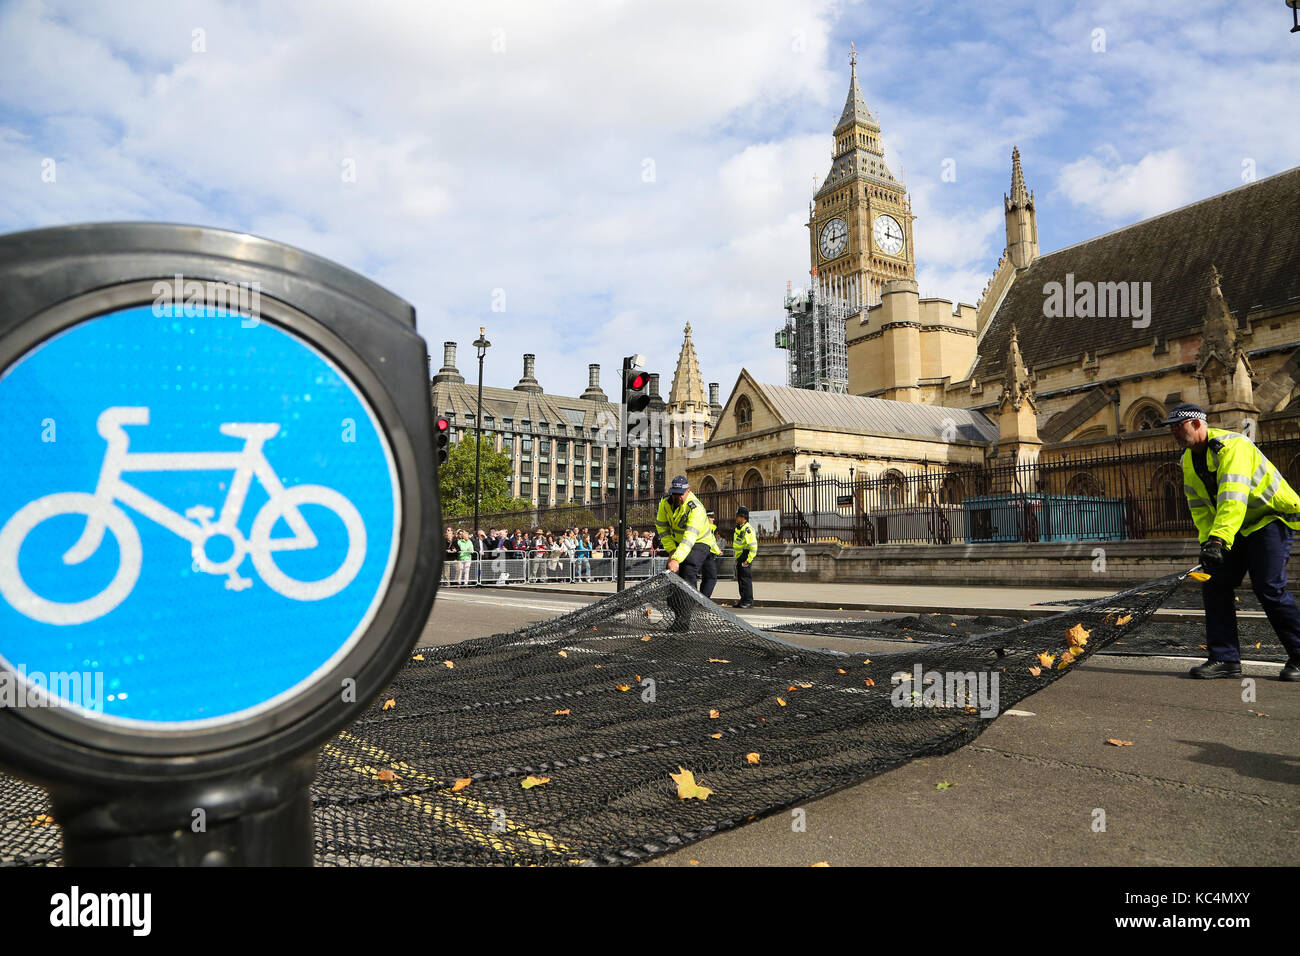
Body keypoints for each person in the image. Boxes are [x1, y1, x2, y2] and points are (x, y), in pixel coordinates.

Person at [1166, 403, 1300, 680]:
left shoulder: (1233, 445)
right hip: (1234, 528)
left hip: (1270, 518)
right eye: (1171, 428)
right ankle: (1225, 659)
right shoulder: (1187, 460)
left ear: (1197, 423)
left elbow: (1233, 496)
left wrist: (1218, 539)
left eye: (1179, 426)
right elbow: (1200, 507)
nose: (1174, 432)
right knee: (1215, 584)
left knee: (1268, 587)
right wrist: (1208, 544)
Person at [656, 475, 722, 631]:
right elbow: (662, 528)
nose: (677, 497)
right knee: (673, 577)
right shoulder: (664, 503)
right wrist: (671, 550)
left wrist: (676, 558)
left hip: (700, 542)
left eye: (681, 494)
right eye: (675, 493)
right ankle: (681, 609)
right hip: (678, 543)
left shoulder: (696, 508)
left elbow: (689, 539)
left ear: (688, 491)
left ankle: (684, 620)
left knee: (688, 569)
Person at [732, 505, 758, 608]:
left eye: (738, 516)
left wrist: (748, 559)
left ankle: (748, 601)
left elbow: (753, 547)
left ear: (743, 517)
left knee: (746, 580)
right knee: (741, 580)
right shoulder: (739, 528)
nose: (736, 517)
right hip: (740, 557)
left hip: (746, 556)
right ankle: (743, 599)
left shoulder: (748, 529)